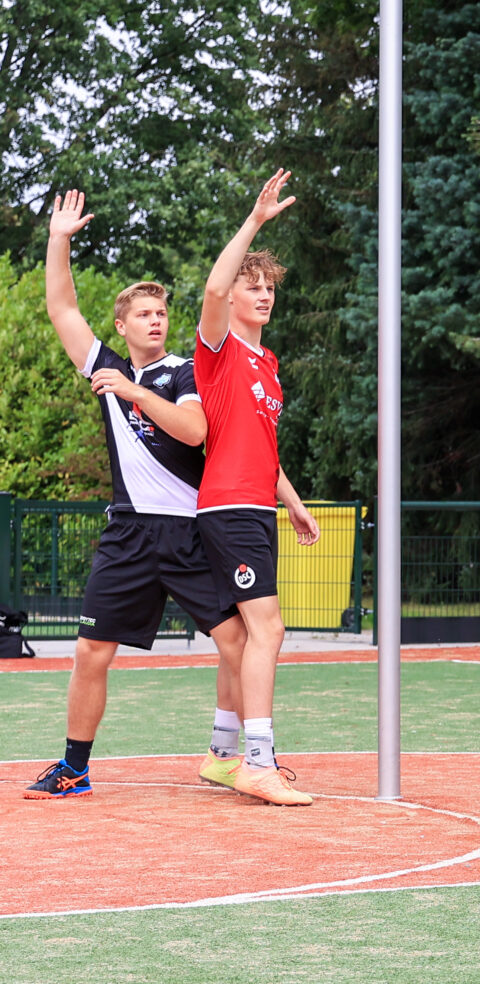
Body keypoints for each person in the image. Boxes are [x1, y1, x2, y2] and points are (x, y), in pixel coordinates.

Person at [24, 192, 248, 801]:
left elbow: (194, 431)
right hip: (127, 533)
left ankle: (232, 756)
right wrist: (58, 239)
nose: (156, 320)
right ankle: (74, 768)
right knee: (91, 651)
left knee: (236, 642)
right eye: (144, 314)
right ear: (122, 326)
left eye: (162, 312)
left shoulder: (185, 371)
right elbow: (62, 307)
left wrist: (133, 392)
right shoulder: (105, 365)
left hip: (189, 530)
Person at [195, 170, 321, 806]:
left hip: (253, 506)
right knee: (269, 629)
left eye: (270, 287)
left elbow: (264, 451)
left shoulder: (268, 365)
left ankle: (222, 755)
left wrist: (292, 503)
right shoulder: (219, 349)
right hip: (228, 507)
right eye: (255, 286)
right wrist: (255, 221)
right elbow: (215, 286)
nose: (264, 294)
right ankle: (259, 762)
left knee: (243, 638)